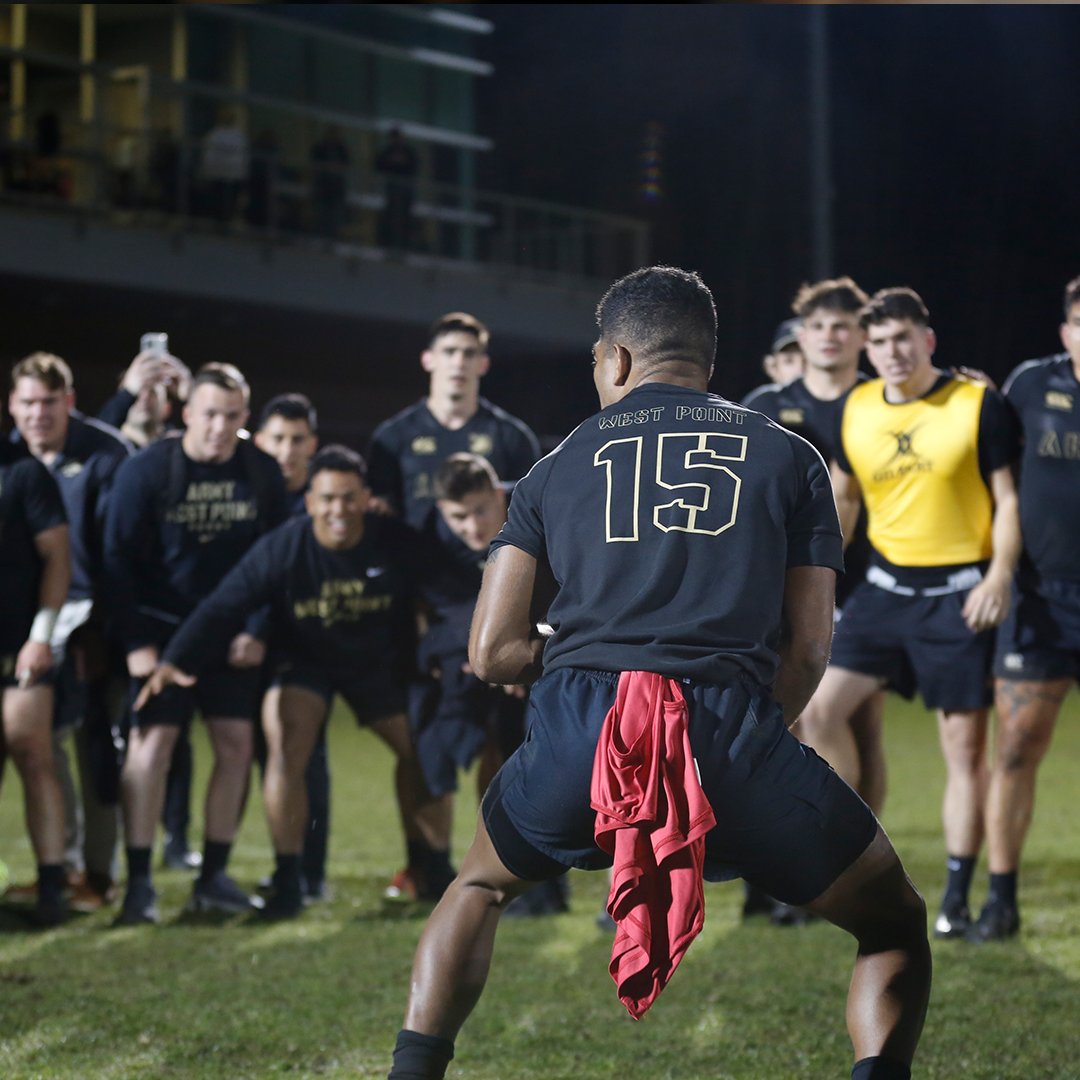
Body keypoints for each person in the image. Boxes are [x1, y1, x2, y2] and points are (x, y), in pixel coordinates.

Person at [387, 266, 931, 1080]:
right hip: (733, 729)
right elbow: (811, 651)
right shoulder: (791, 458)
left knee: (477, 888)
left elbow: (490, 651)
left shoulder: (552, 466)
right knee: (893, 924)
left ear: (613, 359)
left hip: (584, 728)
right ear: (708, 361)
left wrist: (581, 666)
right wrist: (730, 749)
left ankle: (412, 1072)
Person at [135, 446, 448, 919]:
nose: (337, 510)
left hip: (377, 667)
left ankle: (429, 866)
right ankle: (288, 879)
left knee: (424, 750)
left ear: (365, 498)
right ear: (309, 501)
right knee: (286, 743)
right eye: (326, 499)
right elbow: (224, 606)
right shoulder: (284, 546)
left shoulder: (396, 540)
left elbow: (457, 591)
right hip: (304, 663)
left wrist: (470, 649)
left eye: (347, 498)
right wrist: (173, 660)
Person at [798, 287, 1021, 941]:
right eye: (880, 342)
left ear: (928, 340)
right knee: (818, 710)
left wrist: (999, 576)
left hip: (960, 594)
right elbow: (844, 498)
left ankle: (956, 893)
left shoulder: (979, 404)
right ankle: (854, 860)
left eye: (903, 338)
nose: (891, 352)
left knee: (963, 750)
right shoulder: (855, 407)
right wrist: (817, 581)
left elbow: (1008, 499)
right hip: (883, 592)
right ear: (868, 350)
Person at [104, 363, 288, 924]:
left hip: (229, 636)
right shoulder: (146, 470)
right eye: (209, 414)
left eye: (232, 417)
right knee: (151, 747)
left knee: (234, 747)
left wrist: (256, 631)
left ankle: (212, 878)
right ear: (187, 412)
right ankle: (140, 885)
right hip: (160, 635)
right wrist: (136, 643)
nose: (219, 426)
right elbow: (116, 562)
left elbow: (275, 561)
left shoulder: (261, 472)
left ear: (244, 418)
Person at [743, 278, 886, 926]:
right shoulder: (766, 405)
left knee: (847, 722)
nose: (829, 335)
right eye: (818, 324)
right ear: (800, 334)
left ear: (860, 334)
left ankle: (838, 860)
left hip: (872, 586)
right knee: (806, 720)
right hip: (783, 586)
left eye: (842, 324)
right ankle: (813, 864)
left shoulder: (884, 400)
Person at [971, 275, 1080, 941]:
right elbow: (988, 456)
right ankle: (1000, 900)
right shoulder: (1032, 385)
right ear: (1067, 330)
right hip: (1040, 600)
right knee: (1013, 749)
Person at [5, 352, 132, 913]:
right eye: (28, 402)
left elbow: (118, 549)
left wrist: (100, 626)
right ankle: (66, 863)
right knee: (42, 745)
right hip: (33, 622)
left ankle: (100, 875)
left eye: (48, 403)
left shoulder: (103, 454)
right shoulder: (12, 461)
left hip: (90, 617)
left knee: (97, 742)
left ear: (69, 403)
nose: (38, 414)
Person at [253, 393, 329, 899]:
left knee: (306, 757)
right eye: (277, 438)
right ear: (259, 441)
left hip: (313, 646)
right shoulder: (251, 495)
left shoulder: (329, 496)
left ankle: (309, 873)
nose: (287, 449)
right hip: (253, 644)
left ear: (313, 444)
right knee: (262, 754)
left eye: (297, 439)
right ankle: (288, 868)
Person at [368, 312, 540, 529]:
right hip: (414, 560)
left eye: (469, 353)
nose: (459, 362)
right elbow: (378, 512)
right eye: (449, 352)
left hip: (488, 561)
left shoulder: (512, 436)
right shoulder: (393, 436)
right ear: (428, 359)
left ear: (483, 364)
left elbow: (530, 513)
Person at [0, 396, 71, 926]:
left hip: (19, 646)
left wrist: (40, 635)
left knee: (31, 751)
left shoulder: (23, 474)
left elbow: (57, 558)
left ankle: (52, 886)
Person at [374, 127, 418, 250]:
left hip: (405, 191)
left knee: (403, 219)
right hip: (392, 190)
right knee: (390, 218)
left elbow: (413, 167)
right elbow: (379, 165)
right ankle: (388, 245)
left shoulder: (408, 151)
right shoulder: (387, 151)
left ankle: (403, 246)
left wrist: (400, 163)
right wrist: (392, 162)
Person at [310, 125, 349, 239]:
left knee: (335, 215)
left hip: (336, 188)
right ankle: (319, 236)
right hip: (322, 187)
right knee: (321, 213)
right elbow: (314, 164)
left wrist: (336, 168)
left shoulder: (342, 149)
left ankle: (333, 237)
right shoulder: (320, 147)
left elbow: (346, 165)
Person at [758, 317, 805, 386]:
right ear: (772, 368)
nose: (800, 370)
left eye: (808, 362)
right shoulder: (761, 397)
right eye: (789, 361)